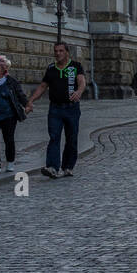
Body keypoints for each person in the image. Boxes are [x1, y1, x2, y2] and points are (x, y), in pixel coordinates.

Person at [26, 41, 87, 179]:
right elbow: (43, 86)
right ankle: (52, 167)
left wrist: (79, 91)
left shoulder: (75, 66)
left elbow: (82, 81)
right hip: (55, 109)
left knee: (71, 139)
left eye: (60, 51)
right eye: (56, 51)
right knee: (54, 137)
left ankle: (68, 167)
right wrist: (31, 100)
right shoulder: (51, 68)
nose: (58, 53)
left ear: (66, 52)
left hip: (71, 108)